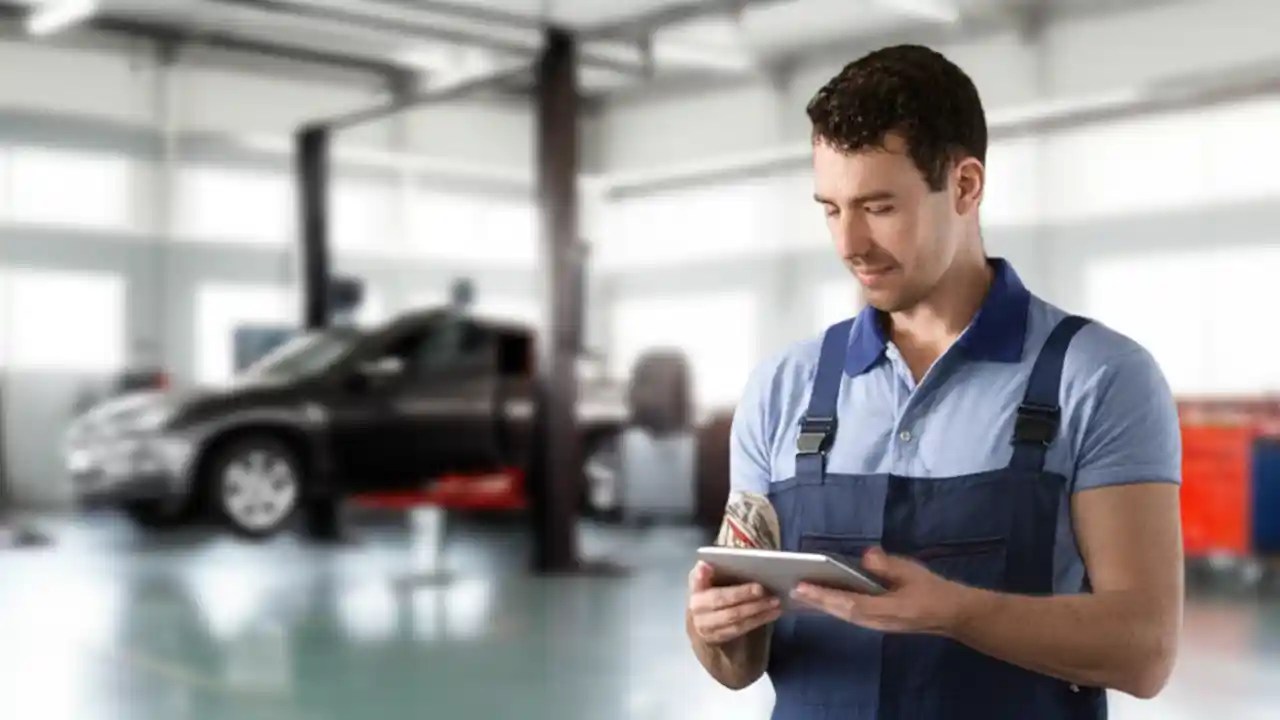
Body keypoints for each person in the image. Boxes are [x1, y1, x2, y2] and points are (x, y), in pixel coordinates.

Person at [684, 44, 1183, 719]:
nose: (849, 243)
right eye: (830, 208)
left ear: (966, 186)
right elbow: (738, 667)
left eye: (879, 206)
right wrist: (714, 628)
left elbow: (1145, 650)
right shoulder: (784, 388)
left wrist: (956, 612)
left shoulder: (1098, 378)